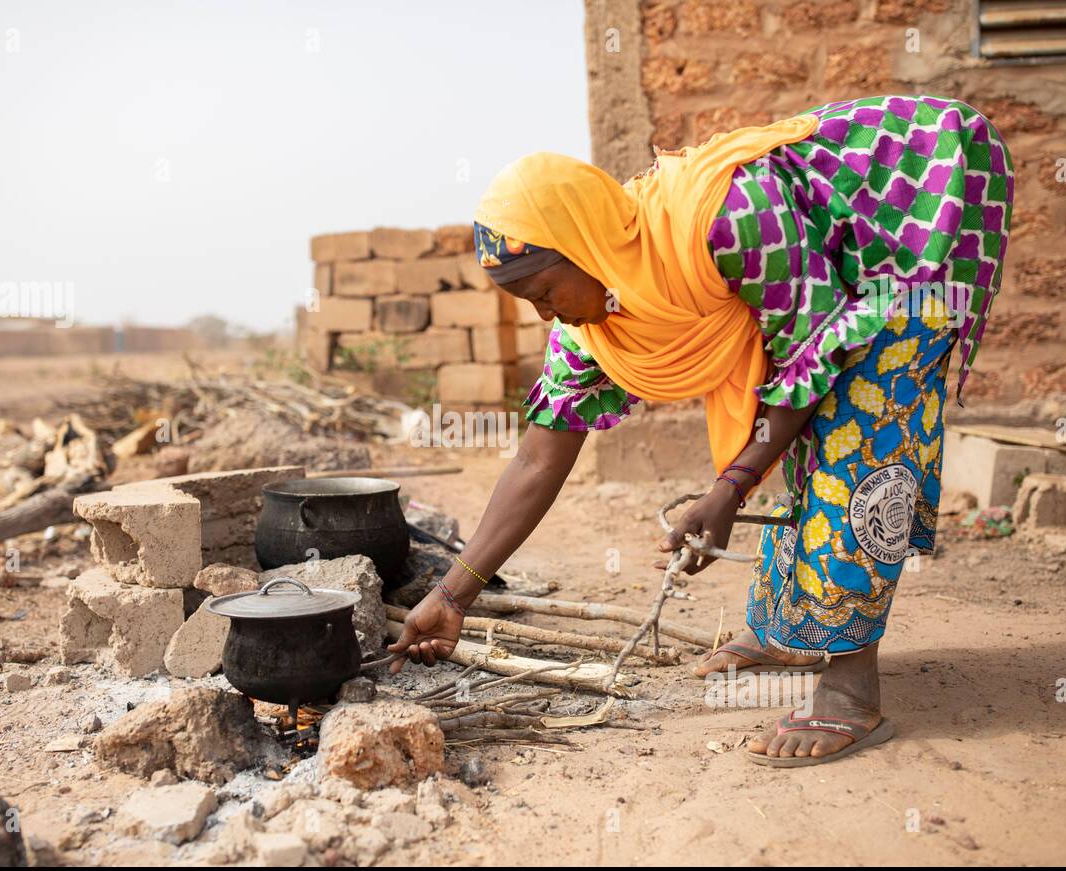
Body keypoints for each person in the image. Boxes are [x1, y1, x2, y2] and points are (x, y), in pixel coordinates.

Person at [388, 95, 1013, 767]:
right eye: (528, 304)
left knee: (858, 431)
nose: (545, 316)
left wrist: (730, 488)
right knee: (803, 425)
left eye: (544, 292)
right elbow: (540, 459)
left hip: (901, 246)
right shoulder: (588, 326)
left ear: (584, 246)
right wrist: (452, 596)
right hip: (821, 290)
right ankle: (786, 632)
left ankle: (850, 683)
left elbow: (813, 353)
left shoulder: (724, 217)